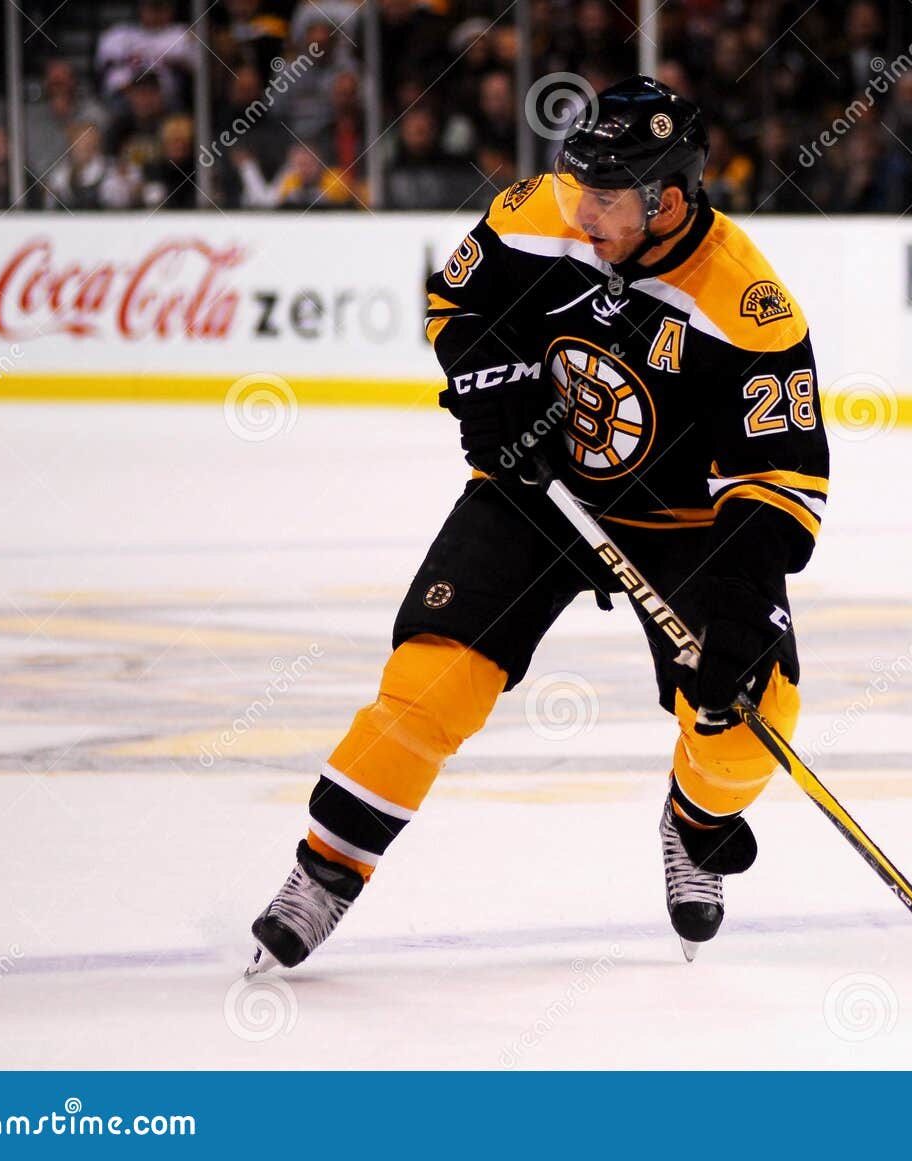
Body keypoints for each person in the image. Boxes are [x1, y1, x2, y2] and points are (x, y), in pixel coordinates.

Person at [248, 76, 829, 971]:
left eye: (606, 196)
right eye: (577, 185)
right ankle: (327, 869)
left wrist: (746, 602)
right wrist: (495, 391)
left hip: (679, 521)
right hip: (533, 485)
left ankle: (695, 821)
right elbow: (459, 303)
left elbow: (779, 477)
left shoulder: (747, 306)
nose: (581, 209)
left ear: (668, 199)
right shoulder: (538, 214)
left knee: (753, 710)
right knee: (430, 678)